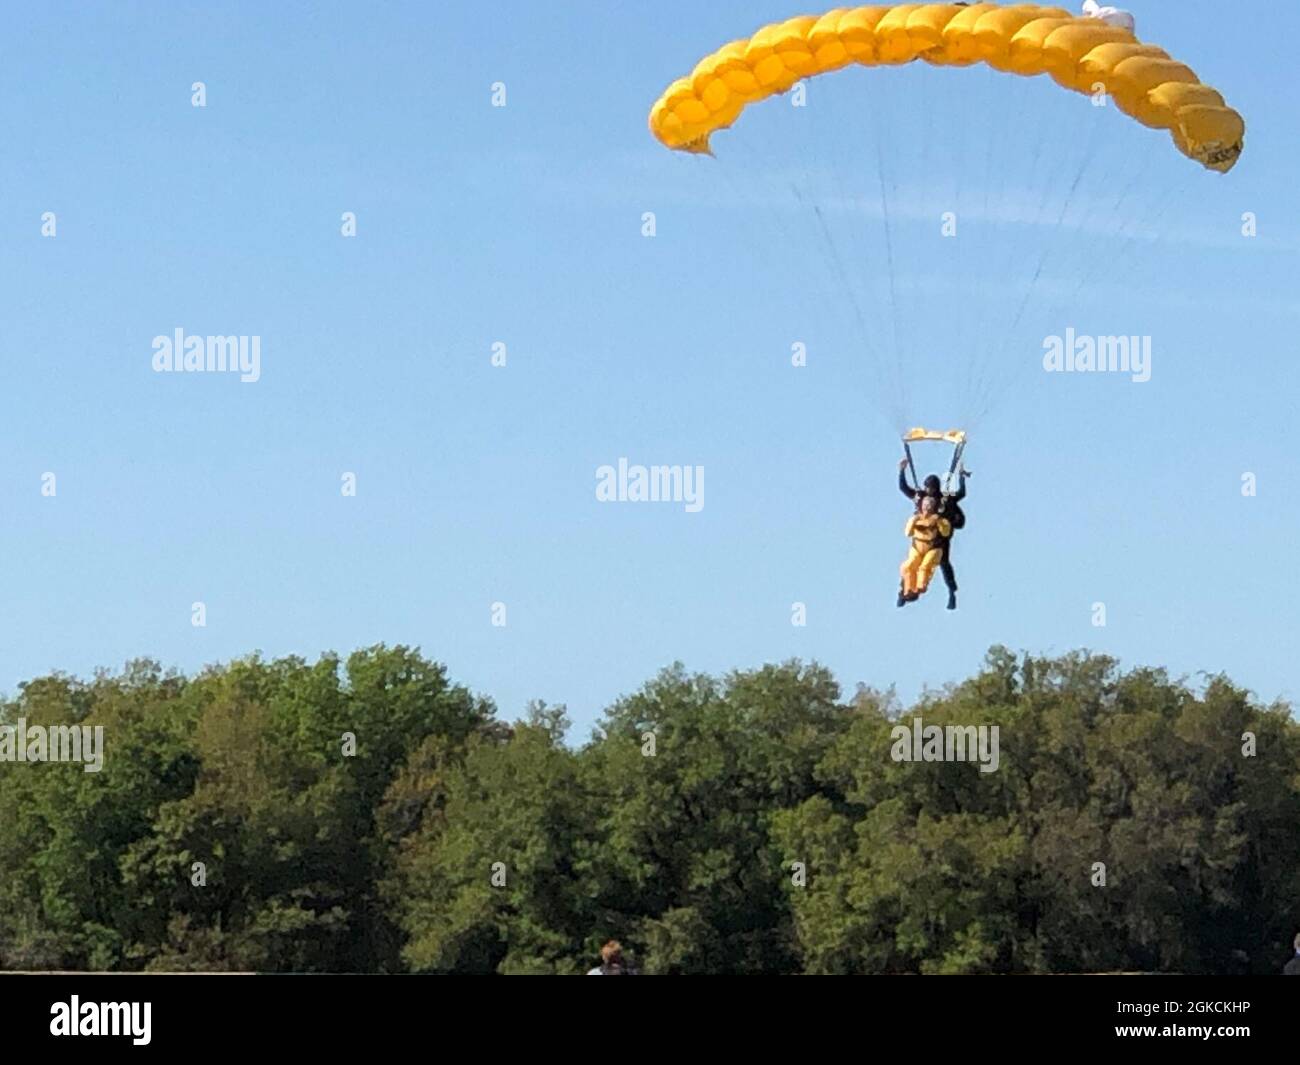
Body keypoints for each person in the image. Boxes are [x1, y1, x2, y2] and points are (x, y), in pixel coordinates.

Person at [898, 460, 968, 610]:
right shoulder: (920, 496)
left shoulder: (945, 499)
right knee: (911, 563)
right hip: (921, 539)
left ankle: (951, 592)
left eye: (930, 488)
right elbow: (904, 489)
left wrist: (961, 477)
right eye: (927, 487)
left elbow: (961, 494)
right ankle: (903, 591)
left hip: (939, 541)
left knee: (944, 564)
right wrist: (902, 471)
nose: (928, 491)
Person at [899, 495, 951, 605]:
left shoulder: (938, 519)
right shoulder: (916, 518)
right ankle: (909, 588)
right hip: (917, 547)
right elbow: (907, 533)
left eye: (929, 505)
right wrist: (913, 521)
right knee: (908, 566)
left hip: (932, 548)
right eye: (925, 505)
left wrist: (939, 522)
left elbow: (946, 533)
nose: (927, 508)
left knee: (925, 566)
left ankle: (921, 585)